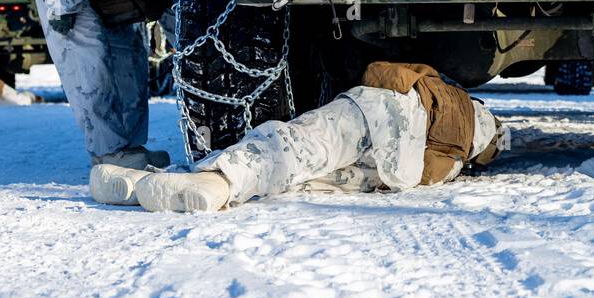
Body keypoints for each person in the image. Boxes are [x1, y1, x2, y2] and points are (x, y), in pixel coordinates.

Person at [89, 61, 510, 213]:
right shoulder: (456, 161)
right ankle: (191, 183)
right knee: (304, 174)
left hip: (387, 113)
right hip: (400, 170)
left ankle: (207, 179)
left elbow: (386, 74)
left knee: (300, 144)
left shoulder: (454, 99)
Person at [32, 0, 177, 173]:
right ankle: (107, 152)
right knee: (91, 70)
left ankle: (130, 149)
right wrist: (62, 6)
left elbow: (173, 10)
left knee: (132, 70)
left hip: (118, 3)